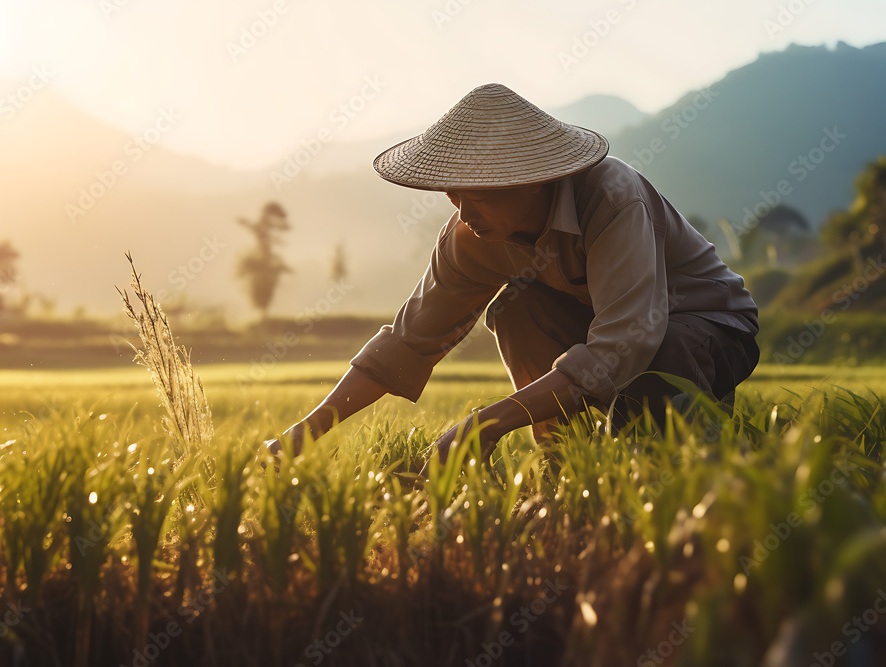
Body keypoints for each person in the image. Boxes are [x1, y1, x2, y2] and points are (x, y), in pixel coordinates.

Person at [262, 83, 759, 470]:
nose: (466, 213)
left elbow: (626, 342)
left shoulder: (611, 197)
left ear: (535, 180)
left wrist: (487, 423)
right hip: (603, 326)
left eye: (483, 196)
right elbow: (408, 343)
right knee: (516, 308)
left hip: (706, 326)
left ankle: (661, 471)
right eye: (454, 195)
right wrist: (303, 433)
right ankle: (563, 466)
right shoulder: (469, 235)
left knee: (660, 357)